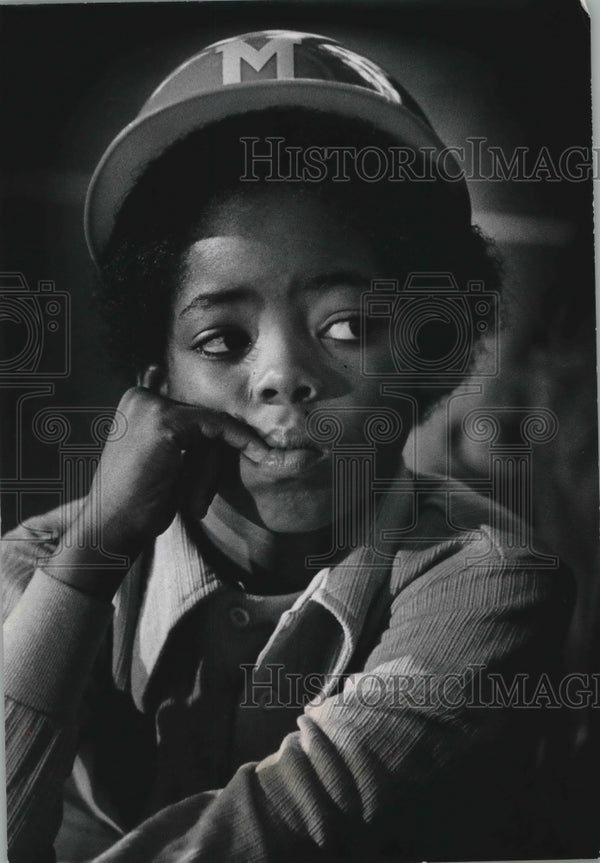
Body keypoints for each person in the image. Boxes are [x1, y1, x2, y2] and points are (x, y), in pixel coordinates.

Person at [2, 30, 574, 863]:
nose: (283, 377)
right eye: (222, 339)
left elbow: (272, 830)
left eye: (347, 325)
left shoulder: (489, 578)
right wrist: (88, 564)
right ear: (154, 381)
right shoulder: (38, 566)